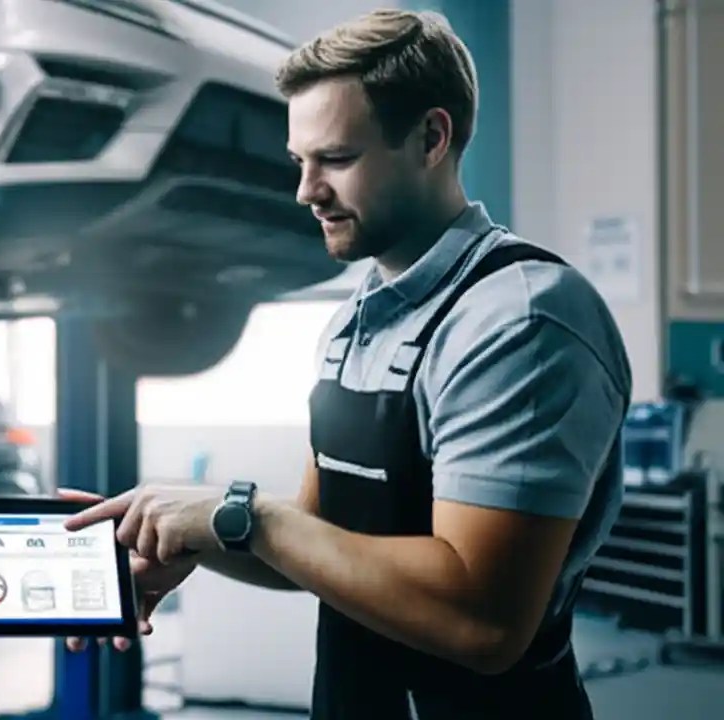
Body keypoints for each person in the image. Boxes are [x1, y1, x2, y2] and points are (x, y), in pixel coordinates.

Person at [64, 9, 632, 720]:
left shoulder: (518, 321)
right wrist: (193, 532)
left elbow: (483, 620)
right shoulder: (356, 319)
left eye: (335, 158)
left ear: (431, 138)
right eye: (299, 162)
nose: (305, 190)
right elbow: (321, 537)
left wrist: (242, 516)